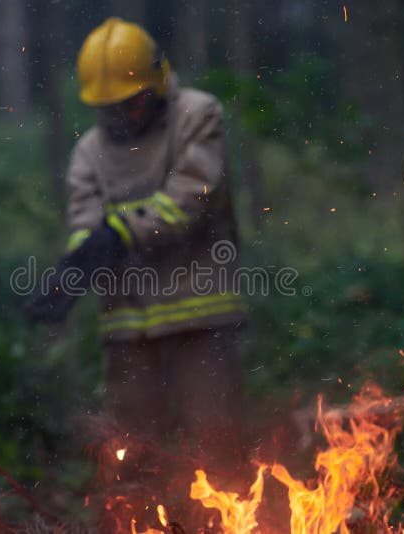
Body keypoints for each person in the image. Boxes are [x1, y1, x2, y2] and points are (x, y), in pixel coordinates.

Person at [25, 17, 246, 477]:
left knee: (219, 454)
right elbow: (86, 226)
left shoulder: (198, 115)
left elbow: (193, 194)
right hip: (127, 334)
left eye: (133, 104)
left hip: (201, 319)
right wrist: (75, 267)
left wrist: (119, 232)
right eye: (111, 109)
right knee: (131, 463)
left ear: (159, 83)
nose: (123, 118)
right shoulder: (88, 152)